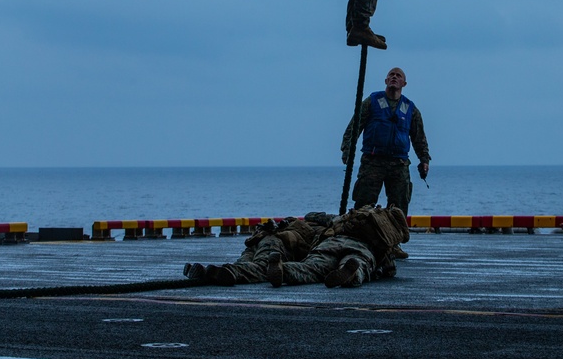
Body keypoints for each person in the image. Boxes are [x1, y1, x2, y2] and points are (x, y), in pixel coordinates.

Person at [341, 67, 430, 258]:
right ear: (385, 80)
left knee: (398, 206)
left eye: (398, 76)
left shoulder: (410, 109)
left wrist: (424, 159)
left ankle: (393, 244)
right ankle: (359, 242)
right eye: (391, 75)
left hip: (398, 163)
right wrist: (347, 149)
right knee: (364, 204)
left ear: (404, 84)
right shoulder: (372, 102)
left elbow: (419, 137)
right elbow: (355, 125)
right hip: (373, 161)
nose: (394, 77)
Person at [266, 205, 410, 289]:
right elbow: (387, 267)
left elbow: (311, 216)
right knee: (359, 264)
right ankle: (349, 273)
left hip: (333, 241)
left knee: (312, 266)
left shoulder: (351, 217)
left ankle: (283, 270)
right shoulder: (388, 238)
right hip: (362, 248)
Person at [183, 216, 325, 286]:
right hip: (270, 240)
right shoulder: (316, 227)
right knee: (256, 263)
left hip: (267, 241)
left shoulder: (309, 226)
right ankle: (224, 272)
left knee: (253, 262)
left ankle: (221, 272)